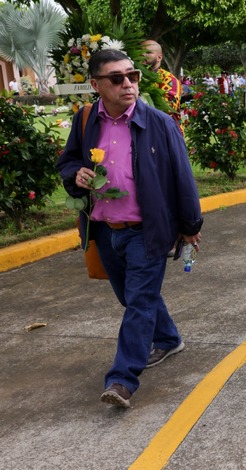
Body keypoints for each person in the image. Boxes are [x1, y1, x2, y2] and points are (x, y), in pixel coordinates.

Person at [57, 49, 203, 408]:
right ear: (96, 85)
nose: (128, 83)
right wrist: (76, 175)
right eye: (117, 78)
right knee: (132, 296)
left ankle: (122, 379)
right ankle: (168, 339)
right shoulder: (85, 120)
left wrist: (190, 226)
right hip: (105, 229)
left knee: (138, 302)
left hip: (146, 231)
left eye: (132, 75)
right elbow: (68, 161)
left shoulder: (160, 123)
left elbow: (183, 178)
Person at [142, 40, 182, 121]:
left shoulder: (170, 80)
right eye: (140, 52)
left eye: (148, 52)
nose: (142, 55)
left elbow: (166, 110)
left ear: (159, 57)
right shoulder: (134, 75)